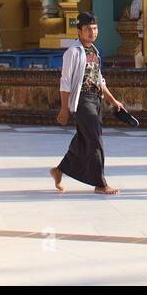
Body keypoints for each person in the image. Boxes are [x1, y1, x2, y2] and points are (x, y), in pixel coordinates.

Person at [50, 12, 126, 195]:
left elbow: (99, 79)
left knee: (83, 139)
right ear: (79, 31)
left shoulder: (94, 51)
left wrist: (113, 100)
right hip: (82, 100)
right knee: (95, 140)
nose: (92, 32)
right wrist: (64, 108)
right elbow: (65, 81)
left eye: (94, 28)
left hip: (95, 99)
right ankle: (100, 183)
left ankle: (59, 170)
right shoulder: (73, 52)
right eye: (88, 29)